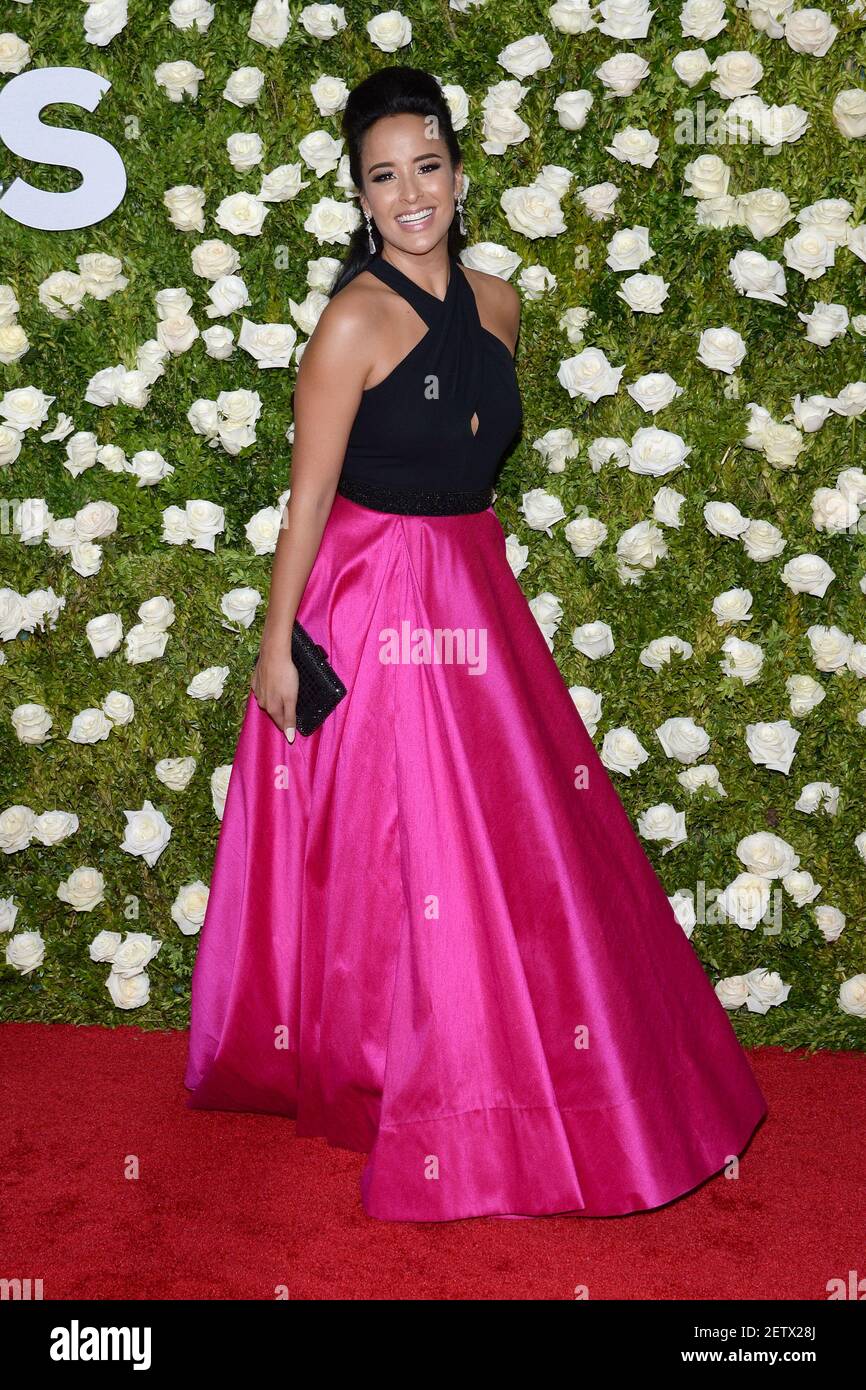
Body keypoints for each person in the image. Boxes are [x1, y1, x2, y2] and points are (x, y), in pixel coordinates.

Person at [184, 65, 768, 1222]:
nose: (410, 194)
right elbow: (303, 502)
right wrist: (272, 645)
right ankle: (404, 1075)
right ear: (358, 194)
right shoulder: (351, 317)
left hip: (472, 589)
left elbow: (470, 452)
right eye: (382, 176)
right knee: (405, 848)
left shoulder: (499, 304)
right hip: (368, 592)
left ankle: (536, 1060)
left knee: (517, 842)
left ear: (459, 172)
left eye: (427, 167)